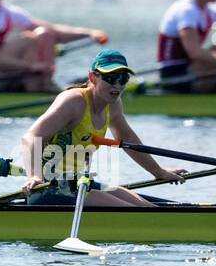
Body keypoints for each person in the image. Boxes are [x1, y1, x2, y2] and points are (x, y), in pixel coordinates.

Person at [19, 49, 186, 207]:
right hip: (47, 188)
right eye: (111, 78)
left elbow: (127, 139)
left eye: (123, 79)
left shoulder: (113, 105)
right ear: (92, 77)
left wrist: (159, 172)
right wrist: (34, 176)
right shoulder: (73, 101)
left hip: (78, 184)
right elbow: (31, 137)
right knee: (134, 210)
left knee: (145, 206)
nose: (118, 86)